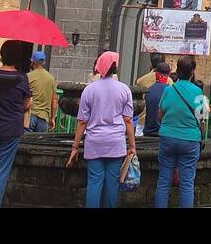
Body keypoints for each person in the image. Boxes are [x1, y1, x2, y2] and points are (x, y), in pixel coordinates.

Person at [67, 50, 135, 208]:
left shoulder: (89, 90)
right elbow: (128, 121)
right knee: (112, 184)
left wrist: (75, 147)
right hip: (116, 144)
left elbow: (82, 122)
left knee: (94, 182)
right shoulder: (124, 89)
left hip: (94, 142)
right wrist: (132, 146)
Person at [155, 56, 208, 208]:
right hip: (190, 140)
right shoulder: (197, 91)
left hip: (168, 137)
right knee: (187, 183)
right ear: (192, 72)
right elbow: (201, 117)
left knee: (164, 180)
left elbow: (159, 115)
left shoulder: (168, 90)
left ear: (177, 71)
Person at [0, 44, 32, 208]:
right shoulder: (21, 77)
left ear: (2, 55)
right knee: (1, 172)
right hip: (12, 127)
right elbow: (27, 104)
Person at [26, 51, 58, 133]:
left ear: (33, 62)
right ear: (44, 62)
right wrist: (53, 118)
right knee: (39, 143)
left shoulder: (28, 76)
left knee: (24, 143)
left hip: (29, 115)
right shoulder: (51, 78)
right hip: (44, 117)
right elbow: (54, 101)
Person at [134, 52, 166, 128]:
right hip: (161, 122)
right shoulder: (170, 82)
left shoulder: (141, 80)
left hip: (143, 121)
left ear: (151, 64)